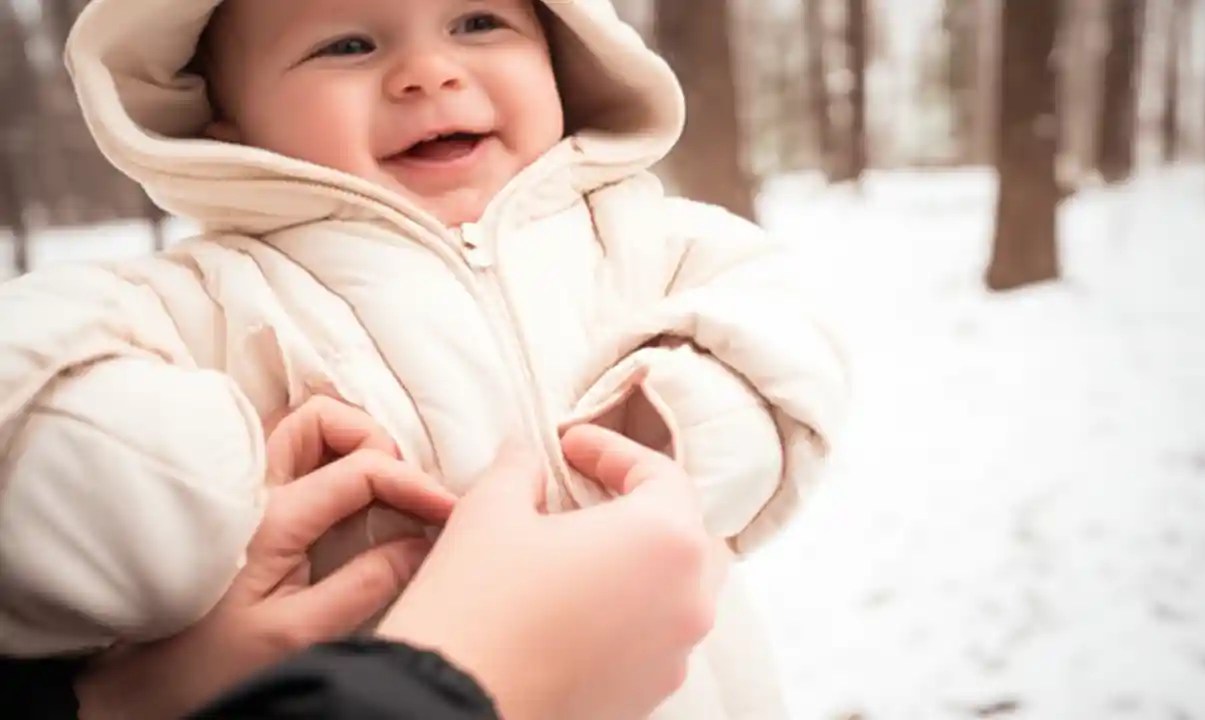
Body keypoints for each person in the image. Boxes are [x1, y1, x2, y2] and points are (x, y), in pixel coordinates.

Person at [0, 0, 851, 716]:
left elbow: (780, 329)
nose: (428, 72)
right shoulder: (212, 295)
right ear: (229, 121)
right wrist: (138, 484)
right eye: (348, 44)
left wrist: (691, 418)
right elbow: (30, 369)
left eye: (478, 21)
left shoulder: (642, 236)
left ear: (564, 55)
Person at [7, 401, 727, 720]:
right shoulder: (199, 290)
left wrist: (122, 702)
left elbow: (771, 350)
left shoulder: (629, 229)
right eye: (336, 73)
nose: (429, 78)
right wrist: (481, 672)